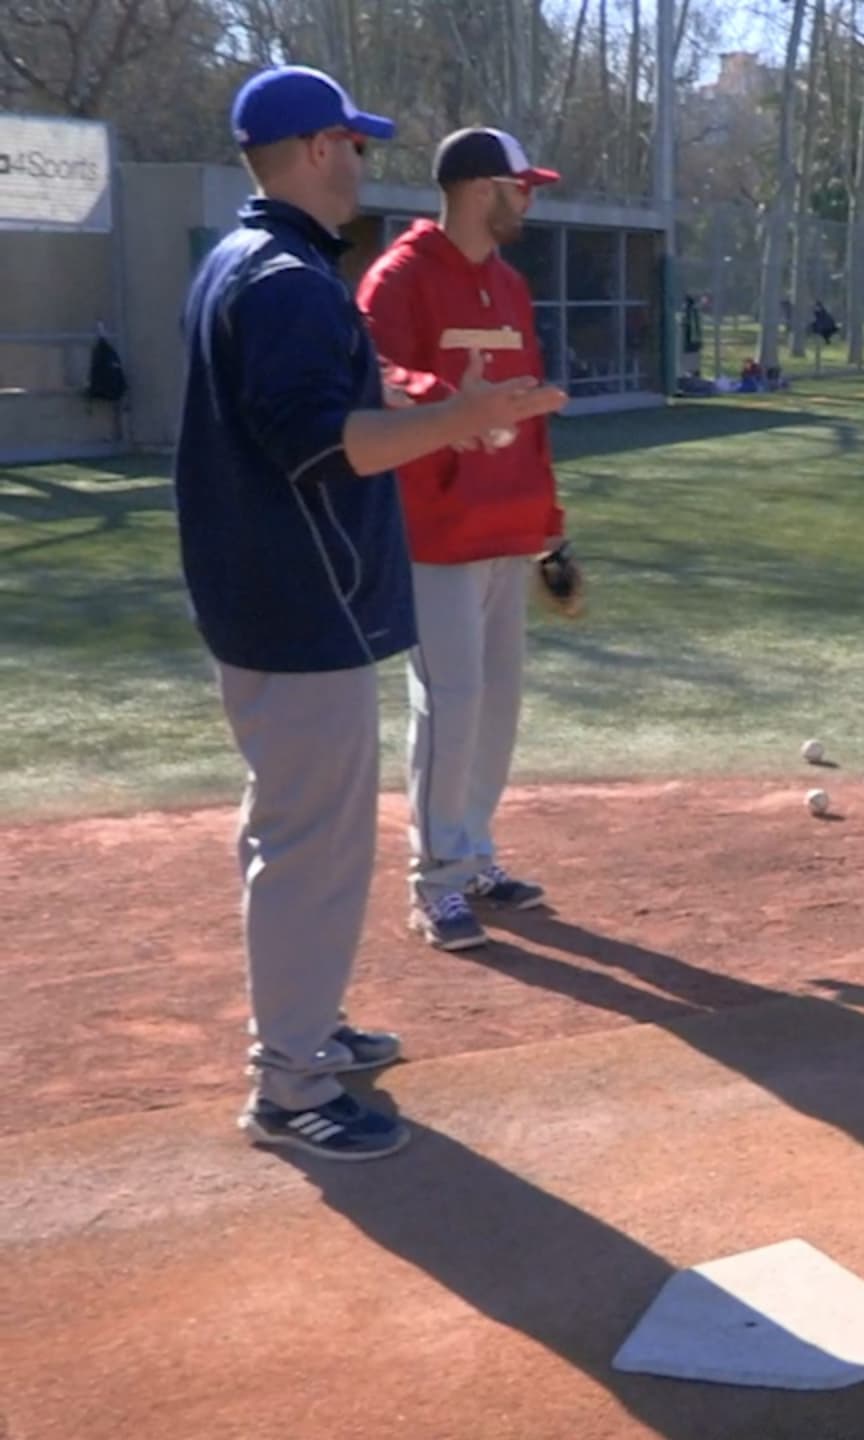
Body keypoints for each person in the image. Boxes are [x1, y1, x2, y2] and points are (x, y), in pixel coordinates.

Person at [180, 67, 565, 1161]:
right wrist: (462, 416)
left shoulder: (248, 263)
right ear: (310, 151)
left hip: (264, 593)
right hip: (297, 601)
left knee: (302, 834)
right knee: (312, 845)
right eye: (349, 142)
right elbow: (320, 444)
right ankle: (290, 1085)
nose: (360, 160)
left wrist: (402, 397)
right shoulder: (291, 281)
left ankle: (309, 1031)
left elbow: (309, 407)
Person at [356, 127, 573, 952]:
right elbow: (366, 372)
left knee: (494, 705)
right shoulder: (400, 278)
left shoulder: (510, 285)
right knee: (448, 703)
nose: (531, 197)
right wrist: (445, 401)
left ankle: (474, 851)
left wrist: (549, 524)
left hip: (506, 523)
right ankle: (437, 880)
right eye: (525, 184)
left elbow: (529, 412)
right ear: (485, 188)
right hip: (434, 525)